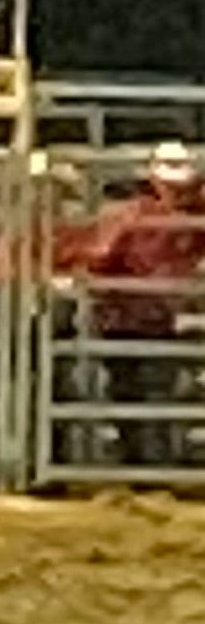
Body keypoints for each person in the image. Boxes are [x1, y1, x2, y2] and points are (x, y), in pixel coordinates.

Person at [79, 140, 205, 467]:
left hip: (154, 317)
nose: (178, 192)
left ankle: (150, 463)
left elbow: (99, 258)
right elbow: (100, 259)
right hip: (127, 315)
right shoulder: (132, 216)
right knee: (133, 390)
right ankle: (144, 463)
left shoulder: (180, 217)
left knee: (151, 389)